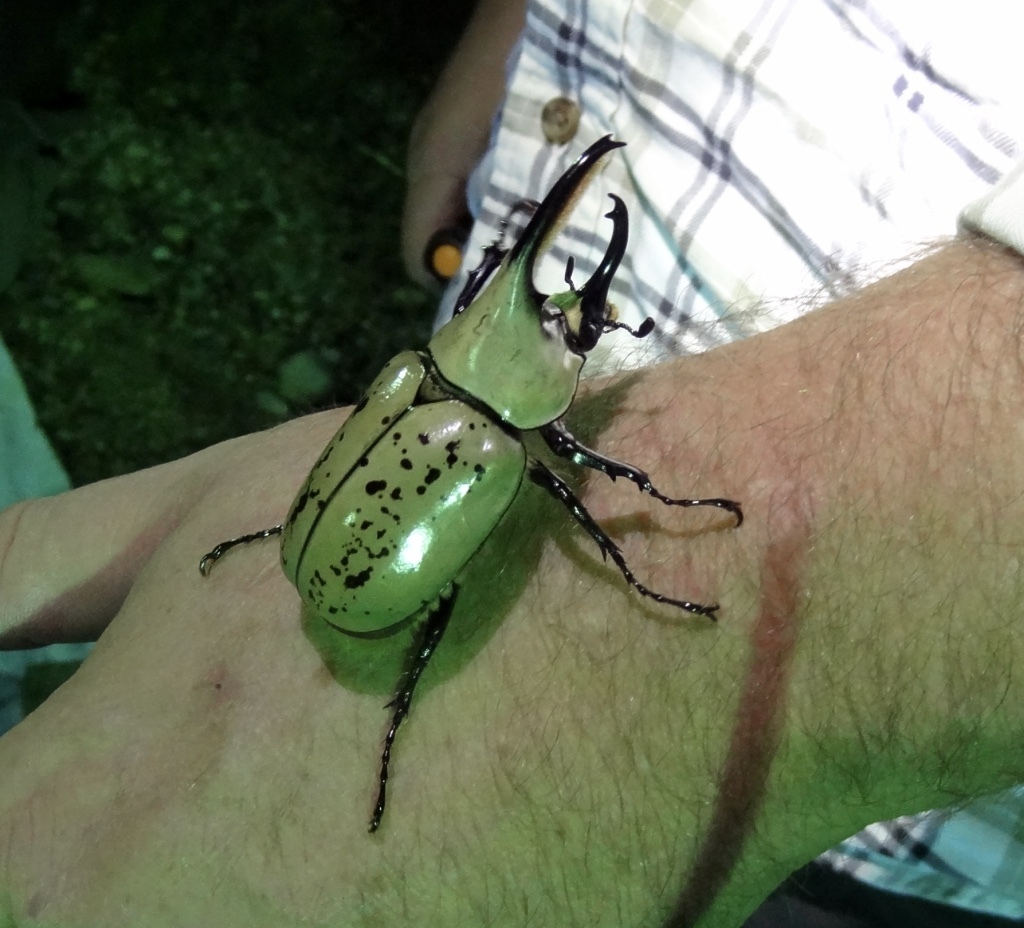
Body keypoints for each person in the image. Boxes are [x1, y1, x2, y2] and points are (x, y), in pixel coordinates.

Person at [2, 4, 1024, 928]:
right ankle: (390, 723)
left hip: (874, 841)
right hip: (374, 578)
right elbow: (598, 496)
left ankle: (387, 726)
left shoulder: (420, 381)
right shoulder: (494, 428)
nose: (580, 323)